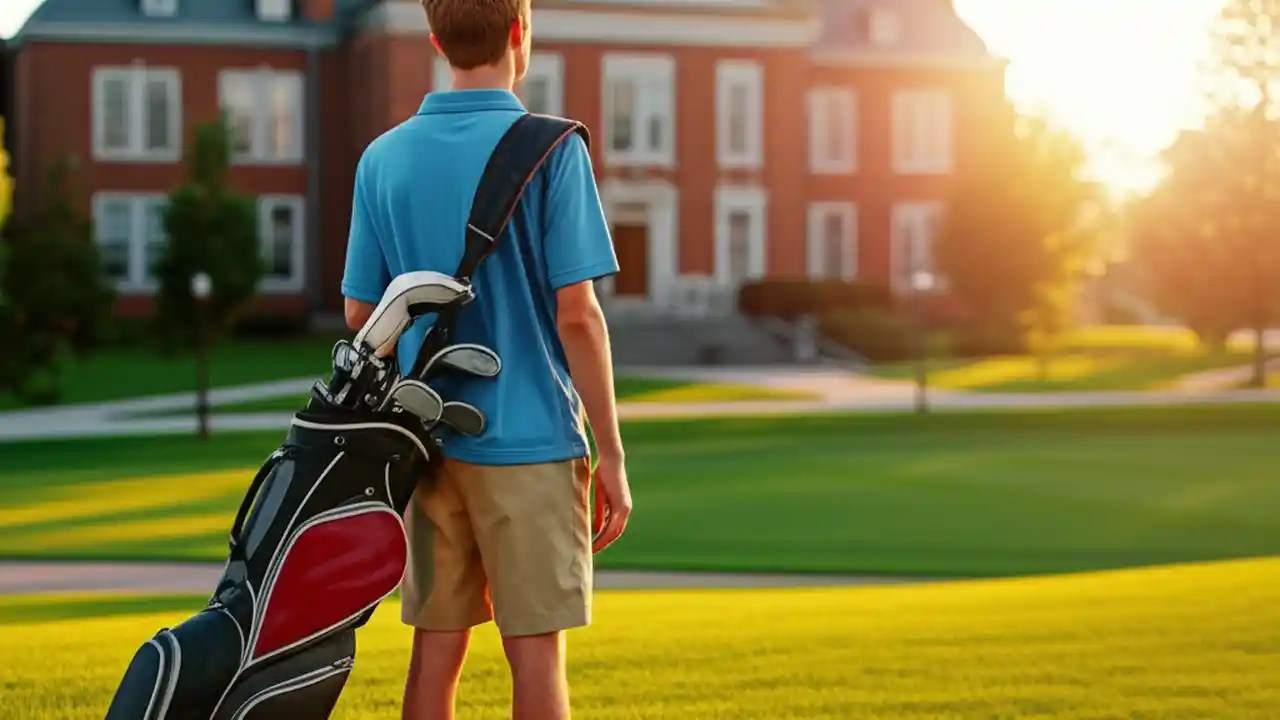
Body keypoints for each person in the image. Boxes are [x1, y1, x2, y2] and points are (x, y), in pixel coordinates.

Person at [339, 0, 633, 717]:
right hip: (531, 444)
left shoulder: (383, 157)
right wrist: (613, 455)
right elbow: (579, 316)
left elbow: (358, 317)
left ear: (436, 39)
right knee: (535, 657)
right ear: (519, 32)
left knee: (435, 654)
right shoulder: (554, 149)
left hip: (428, 445)